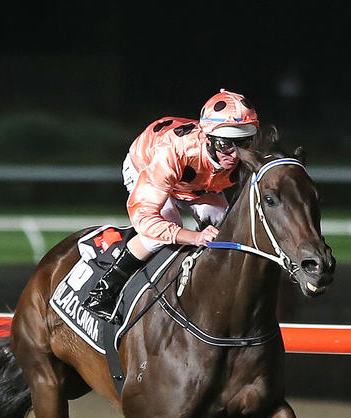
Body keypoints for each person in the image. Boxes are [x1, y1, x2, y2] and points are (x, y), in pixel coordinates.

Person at [81, 89, 259, 320]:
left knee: (228, 229)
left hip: (198, 183)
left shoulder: (247, 155)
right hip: (149, 166)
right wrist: (194, 237)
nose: (235, 155)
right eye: (226, 144)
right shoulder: (171, 151)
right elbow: (145, 218)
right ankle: (103, 292)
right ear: (209, 138)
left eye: (243, 143)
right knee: (162, 233)